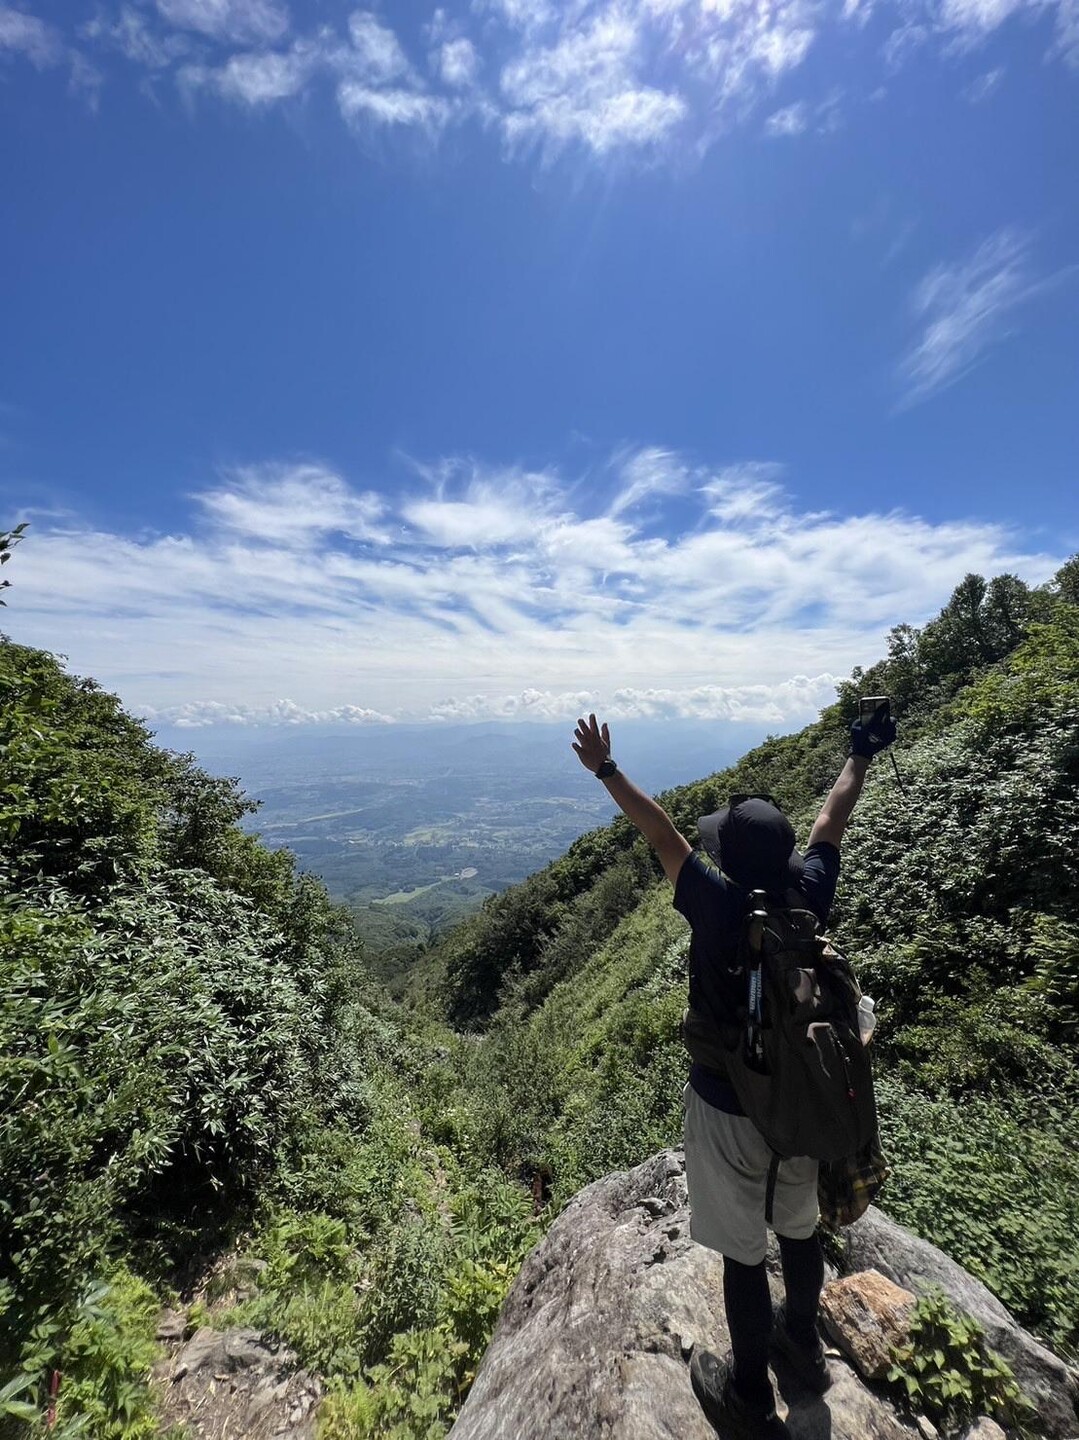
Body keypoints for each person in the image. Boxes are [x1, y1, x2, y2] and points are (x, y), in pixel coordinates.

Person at [571, 708, 896, 1440]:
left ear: (728, 855)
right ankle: (802, 1347)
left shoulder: (715, 903)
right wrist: (860, 751)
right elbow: (832, 815)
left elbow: (660, 833)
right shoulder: (807, 894)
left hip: (726, 1103)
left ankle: (750, 1397)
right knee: (799, 1231)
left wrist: (606, 770)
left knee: (743, 1256)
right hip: (804, 1097)